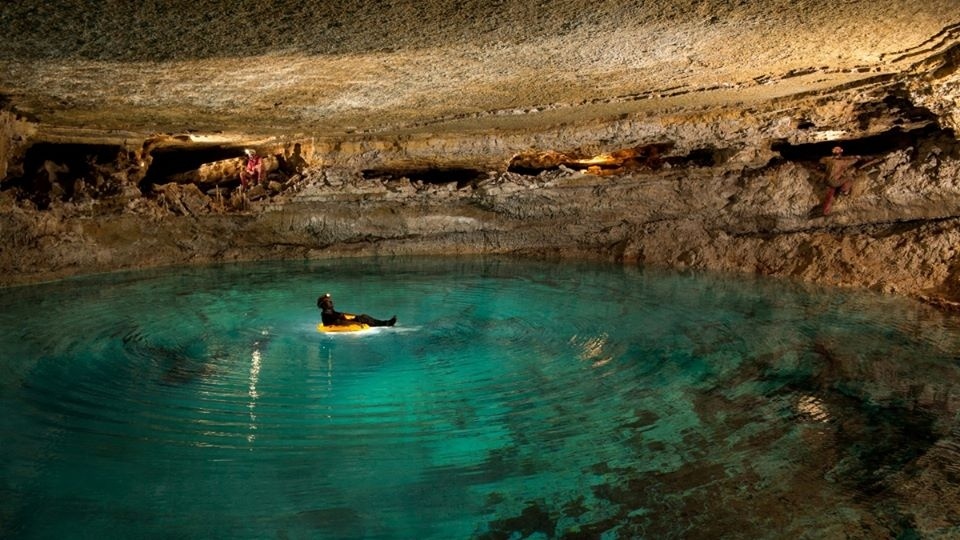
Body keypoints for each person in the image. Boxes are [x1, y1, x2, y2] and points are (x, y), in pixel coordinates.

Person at [818, 146, 864, 216]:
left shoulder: (828, 159)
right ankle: (844, 191)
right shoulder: (841, 162)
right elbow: (851, 162)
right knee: (850, 178)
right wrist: (857, 158)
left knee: (830, 195)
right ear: (841, 152)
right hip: (834, 182)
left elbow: (821, 161)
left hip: (826, 181)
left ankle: (825, 211)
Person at [317, 293, 396, 327]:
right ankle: (386, 323)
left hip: (342, 321)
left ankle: (384, 323)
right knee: (364, 318)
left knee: (362, 316)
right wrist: (355, 320)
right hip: (340, 324)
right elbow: (340, 318)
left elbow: (340, 314)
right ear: (324, 305)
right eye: (329, 302)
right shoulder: (327, 313)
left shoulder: (329, 312)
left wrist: (353, 316)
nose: (331, 302)